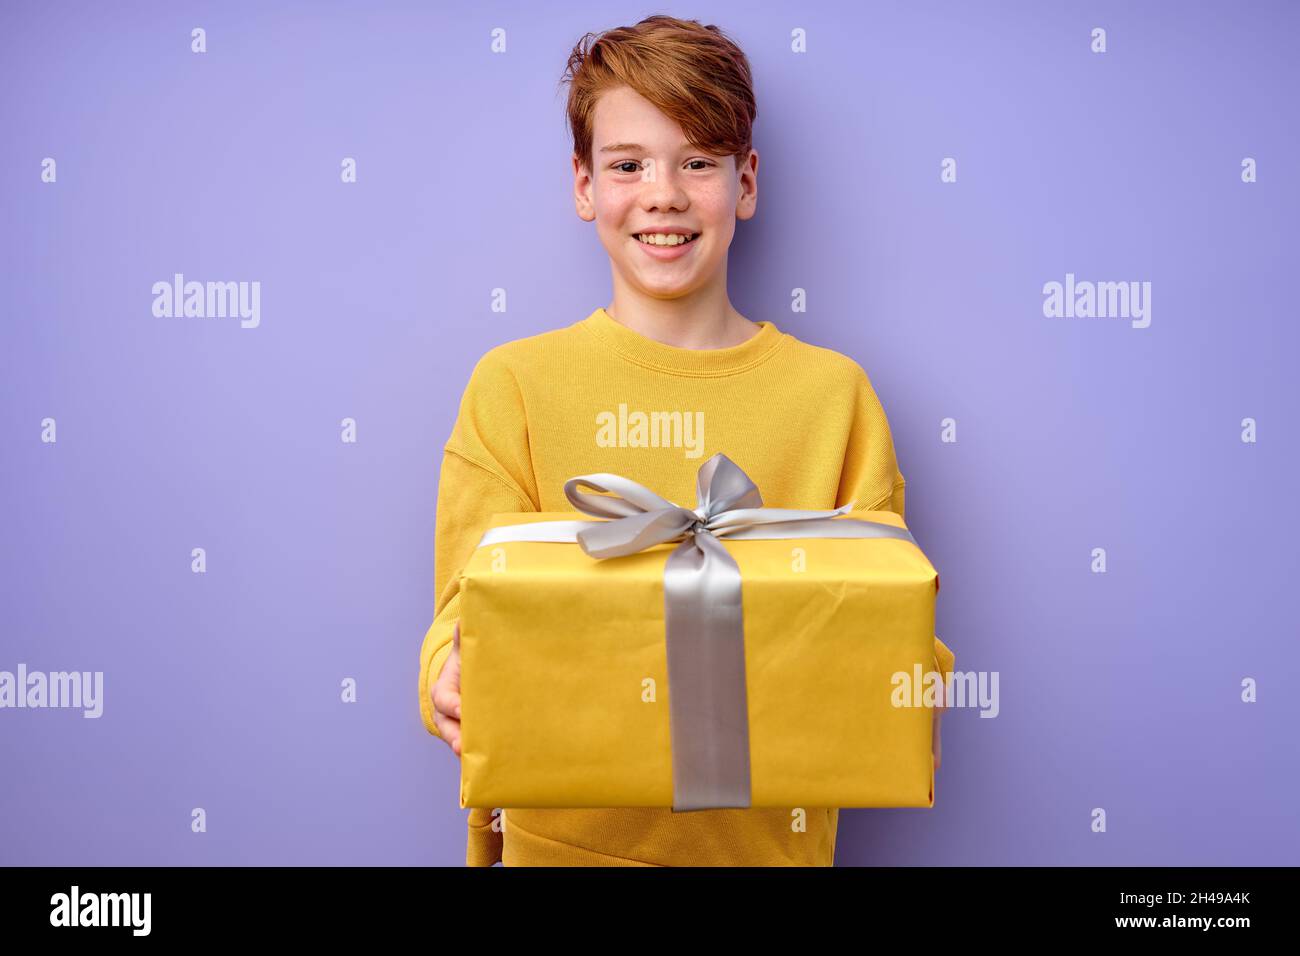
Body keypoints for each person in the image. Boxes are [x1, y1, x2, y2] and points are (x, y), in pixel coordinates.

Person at [419, 14, 954, 866]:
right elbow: (464, 604)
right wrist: (447, 671)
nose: (662, 194)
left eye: (696, 162)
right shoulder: (513, 387)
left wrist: (909, 681)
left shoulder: (834, 396)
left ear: (745, 182)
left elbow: (891, 612)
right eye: (627, 164)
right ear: (584, 185)